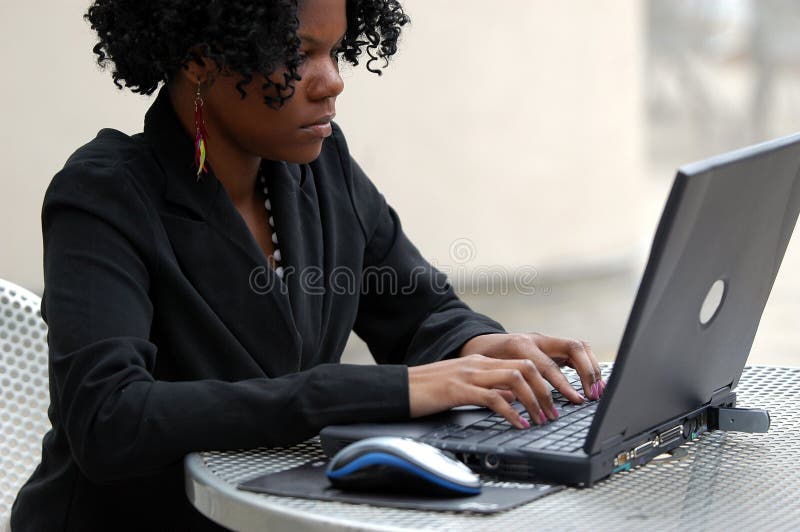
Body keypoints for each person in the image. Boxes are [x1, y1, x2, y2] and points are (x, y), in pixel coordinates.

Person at [10, 0, 605, 529]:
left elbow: (420, 311)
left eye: (337, 51)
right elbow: (110, 419)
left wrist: (476, 346)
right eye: (299, 53)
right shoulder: (106, 194)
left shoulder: (321, 168)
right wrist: (377, 392)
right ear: (200, 56)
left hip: (275, 510)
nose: (333, 83)